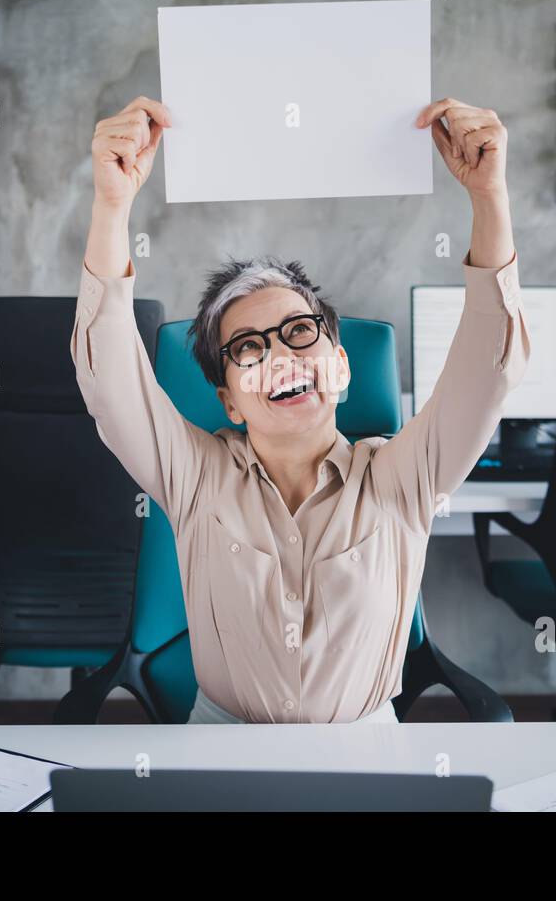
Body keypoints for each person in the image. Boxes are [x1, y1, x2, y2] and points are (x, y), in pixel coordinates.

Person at [73, 94, 530, 723]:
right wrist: (113, 203)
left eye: (299, 332)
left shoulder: (401, 476)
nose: (280, 357)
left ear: (341, 365)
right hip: (223, 754)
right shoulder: (195, 478)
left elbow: (489, 369)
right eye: (248, 348)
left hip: (367, 758)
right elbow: (109, 379)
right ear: (229, 399)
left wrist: (489, 196)